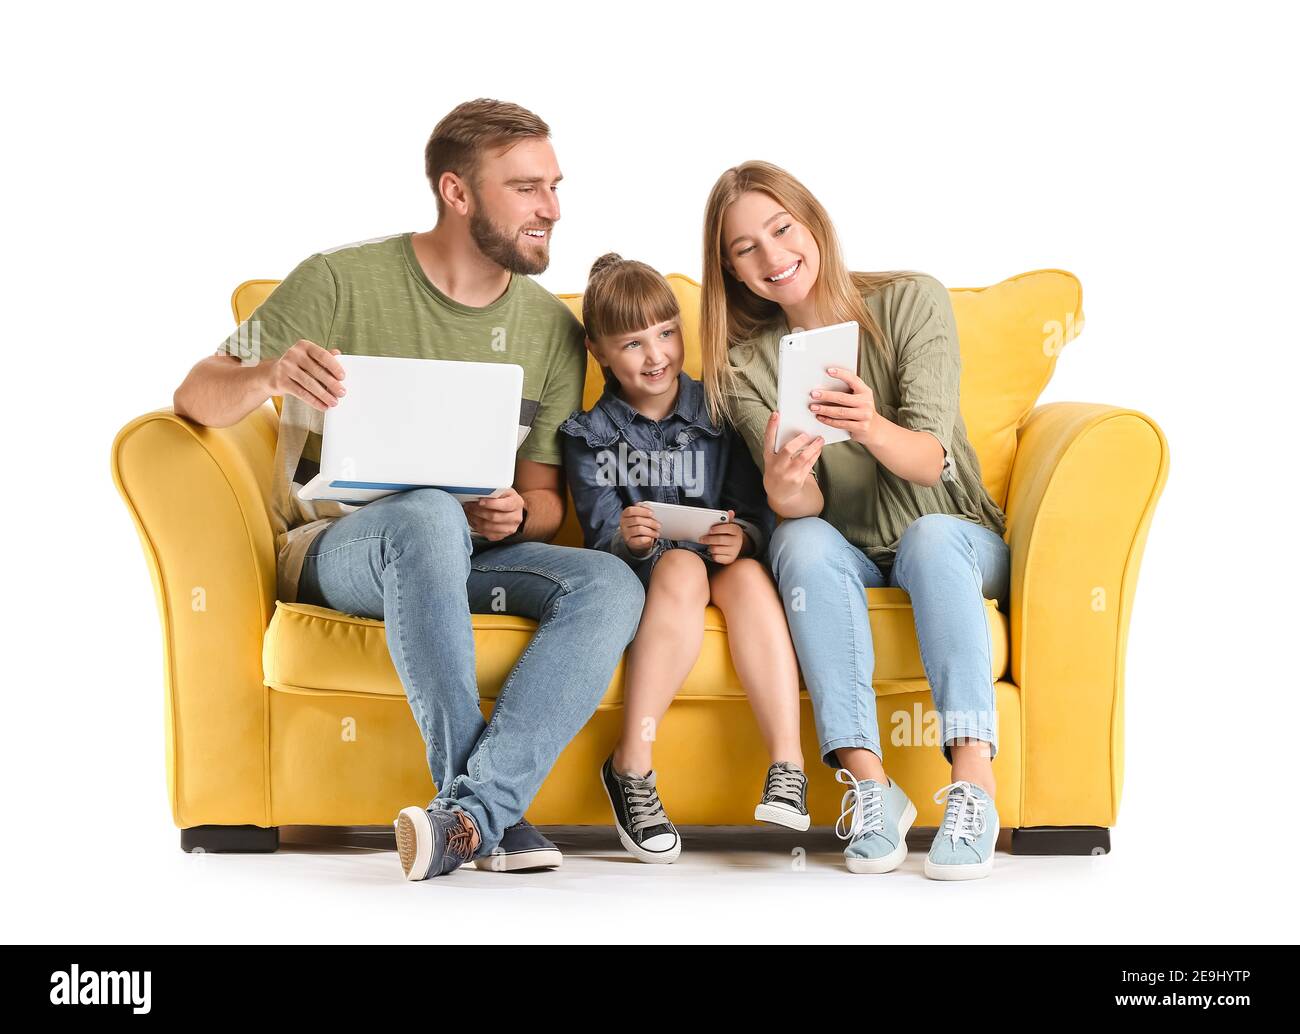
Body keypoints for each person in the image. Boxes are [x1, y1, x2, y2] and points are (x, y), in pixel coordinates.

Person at [172, 99, 646, 881]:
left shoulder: (548, 330)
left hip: (469, 550)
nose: (552, 210)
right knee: (424, 513)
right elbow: (196, 395)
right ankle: (483, 809)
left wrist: (521, 512)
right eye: (527, 188)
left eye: (555, 187)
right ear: (457, 193)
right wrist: (268, 374)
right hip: (339, 549)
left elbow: (547, 501)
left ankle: (468, 817)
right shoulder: (337, 282)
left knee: (608, 582)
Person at [698, 161, 1010, 880]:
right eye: (746, 249)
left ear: (814, 224)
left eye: (781, 229)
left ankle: (973, 780)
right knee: (799, 539)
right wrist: (784, 487)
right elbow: (804, 505)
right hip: (853, 552)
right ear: (733, 273)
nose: (773, 258)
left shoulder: (910, 301)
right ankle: (871, 787)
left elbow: (932, 462)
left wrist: (869, 426)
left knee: (929, 540)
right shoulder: (745, 366)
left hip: (954, 532)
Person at [559, 254, 805, 863]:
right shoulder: (589, 437)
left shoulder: (720, 414)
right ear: (600, 353)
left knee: (746, 575)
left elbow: (754, 512)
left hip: (719, 565)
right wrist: (629, 533)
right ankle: (631, 765)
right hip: (653, 575)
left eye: (667, 333)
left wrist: (741, 536)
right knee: (682, 564)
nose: (656, 356)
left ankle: (788, 764)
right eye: (633, 344)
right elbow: (598, 538)